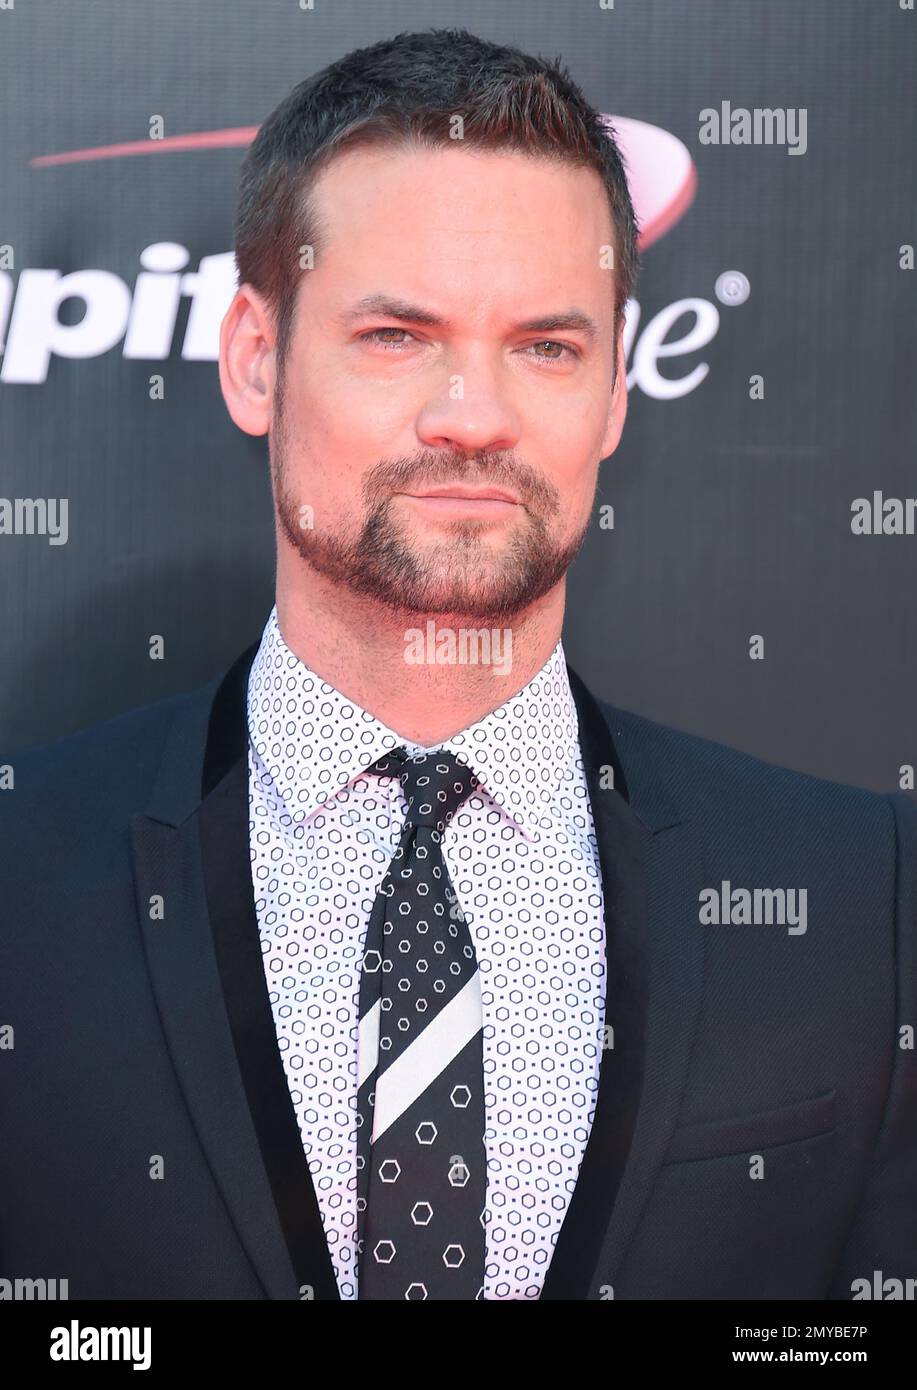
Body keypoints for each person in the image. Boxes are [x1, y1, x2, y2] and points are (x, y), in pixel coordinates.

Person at [1, 28, 915, 1302]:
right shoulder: (20, 875)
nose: (472, 414)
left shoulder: (854, 900)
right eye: (395, 334)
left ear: (610, 395)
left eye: (545, 345)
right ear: (255, 358)